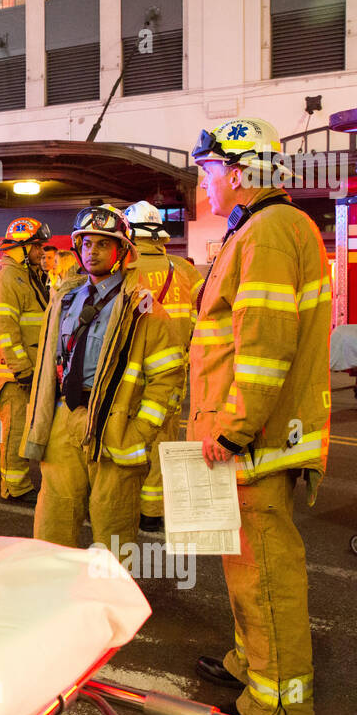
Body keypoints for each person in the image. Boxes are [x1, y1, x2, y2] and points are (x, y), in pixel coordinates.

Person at [188, 117, 331, 715]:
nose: (205, 186)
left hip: (254, 444)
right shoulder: (259, 230)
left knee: (266, 571)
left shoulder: (268, 232)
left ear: (240, 173)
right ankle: (251, 666)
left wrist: (235, 429)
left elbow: (264, 348)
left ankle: (279, 707)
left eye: (210, 172)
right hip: (244, 439)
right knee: (247, 566)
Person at [20, 205, 184, 556]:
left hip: (113, 427)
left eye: (102, 245)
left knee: (113, 534)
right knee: (52, 529)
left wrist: (138, 432)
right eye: (86, 243)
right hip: (64, 420)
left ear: (122, 251)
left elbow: (168, 379)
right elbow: (48, 370)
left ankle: (109, 607)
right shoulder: (64, 300)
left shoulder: (144, 309)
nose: (91, 252)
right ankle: (58, 605)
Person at [123, 200, 206, 533]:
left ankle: (123, 502)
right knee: (163, 436)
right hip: (173, 369)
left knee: (126, 433)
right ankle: (153, 511)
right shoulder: (185, 269)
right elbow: (208, 311)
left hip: (131, 369)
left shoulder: (125, 268)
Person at [0, 217, 51, 502]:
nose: (42, 252)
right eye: (38, 246)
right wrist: (22, 369)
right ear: (22, 247)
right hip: (16, 376)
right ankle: (14, 489)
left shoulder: (26, 276)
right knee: (15, 433)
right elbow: (5, 332)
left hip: (31, 372)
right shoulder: (7, 280)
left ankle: (21, 484)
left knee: (26, 431)